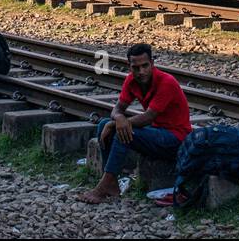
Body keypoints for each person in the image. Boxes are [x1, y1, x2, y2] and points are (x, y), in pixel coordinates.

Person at [78, 44, 193, 204]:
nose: (141, 72)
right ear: (129, 66)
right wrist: (117, 119)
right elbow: (117, 109)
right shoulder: (131, 80)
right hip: (156, 132)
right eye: (136, 67)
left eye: (145, 66)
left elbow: (148, 117)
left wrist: (116, 123)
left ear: (152, 63)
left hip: (176, 139)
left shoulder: (166, 82)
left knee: (121, 131)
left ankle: (104, 185)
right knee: (103, 123)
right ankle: (111, 182)